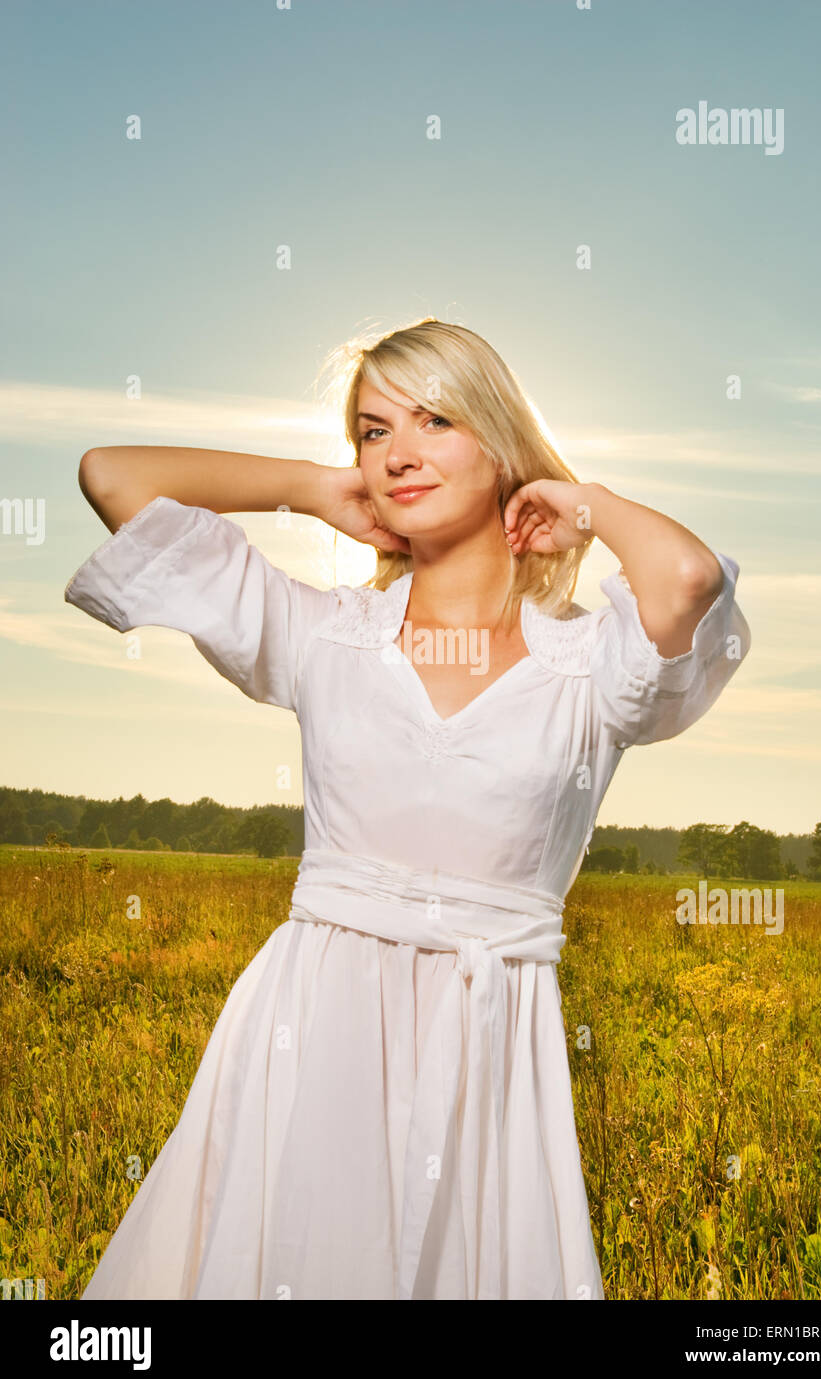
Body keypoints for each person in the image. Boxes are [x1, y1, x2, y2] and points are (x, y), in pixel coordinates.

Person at [65, 318, 751, 1300]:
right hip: (309, 1031)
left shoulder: (590, 666)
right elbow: (111, 474)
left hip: (491, 1050)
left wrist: (585, 504)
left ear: (503, 442)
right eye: (373, 431)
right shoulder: (324, 637)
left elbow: (687, 577)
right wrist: (310, 489)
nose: (398, 453)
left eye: (435, 418)